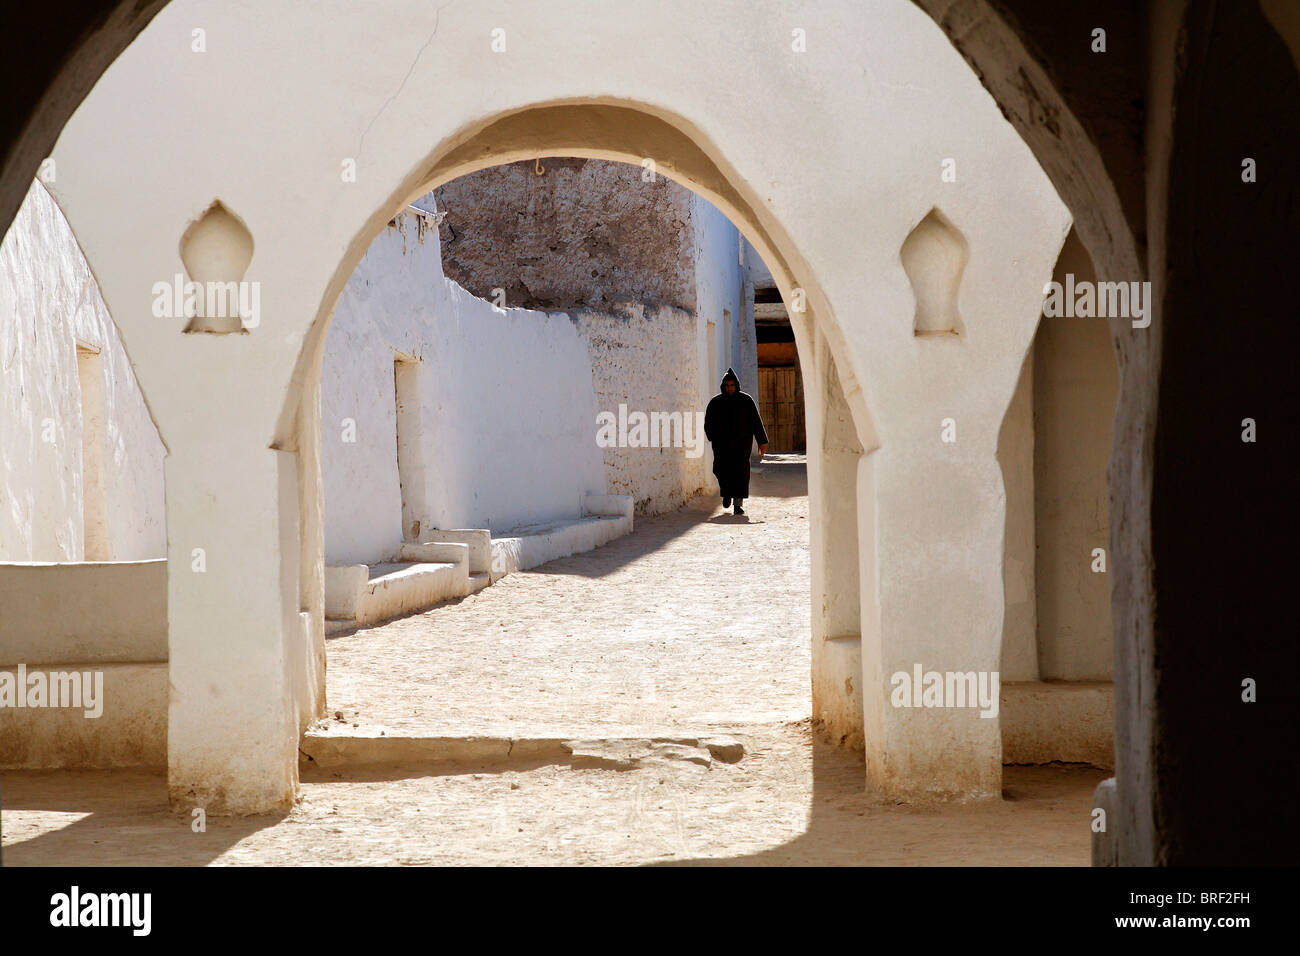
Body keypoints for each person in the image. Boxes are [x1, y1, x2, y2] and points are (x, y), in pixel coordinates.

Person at [703, 367, 768, 515]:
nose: (730, 388)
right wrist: (713, 438)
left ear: (736, 385)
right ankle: (726, 494)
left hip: (742, 445)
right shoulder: (716, 403)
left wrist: (762, 441)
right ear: (723, 386)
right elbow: (708, 423)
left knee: (741, 473)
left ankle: (738, 504)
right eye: (727, 386)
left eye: (732, 385)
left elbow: (756, 422)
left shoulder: (746, 401)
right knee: (721, 470)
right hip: (722, 445)